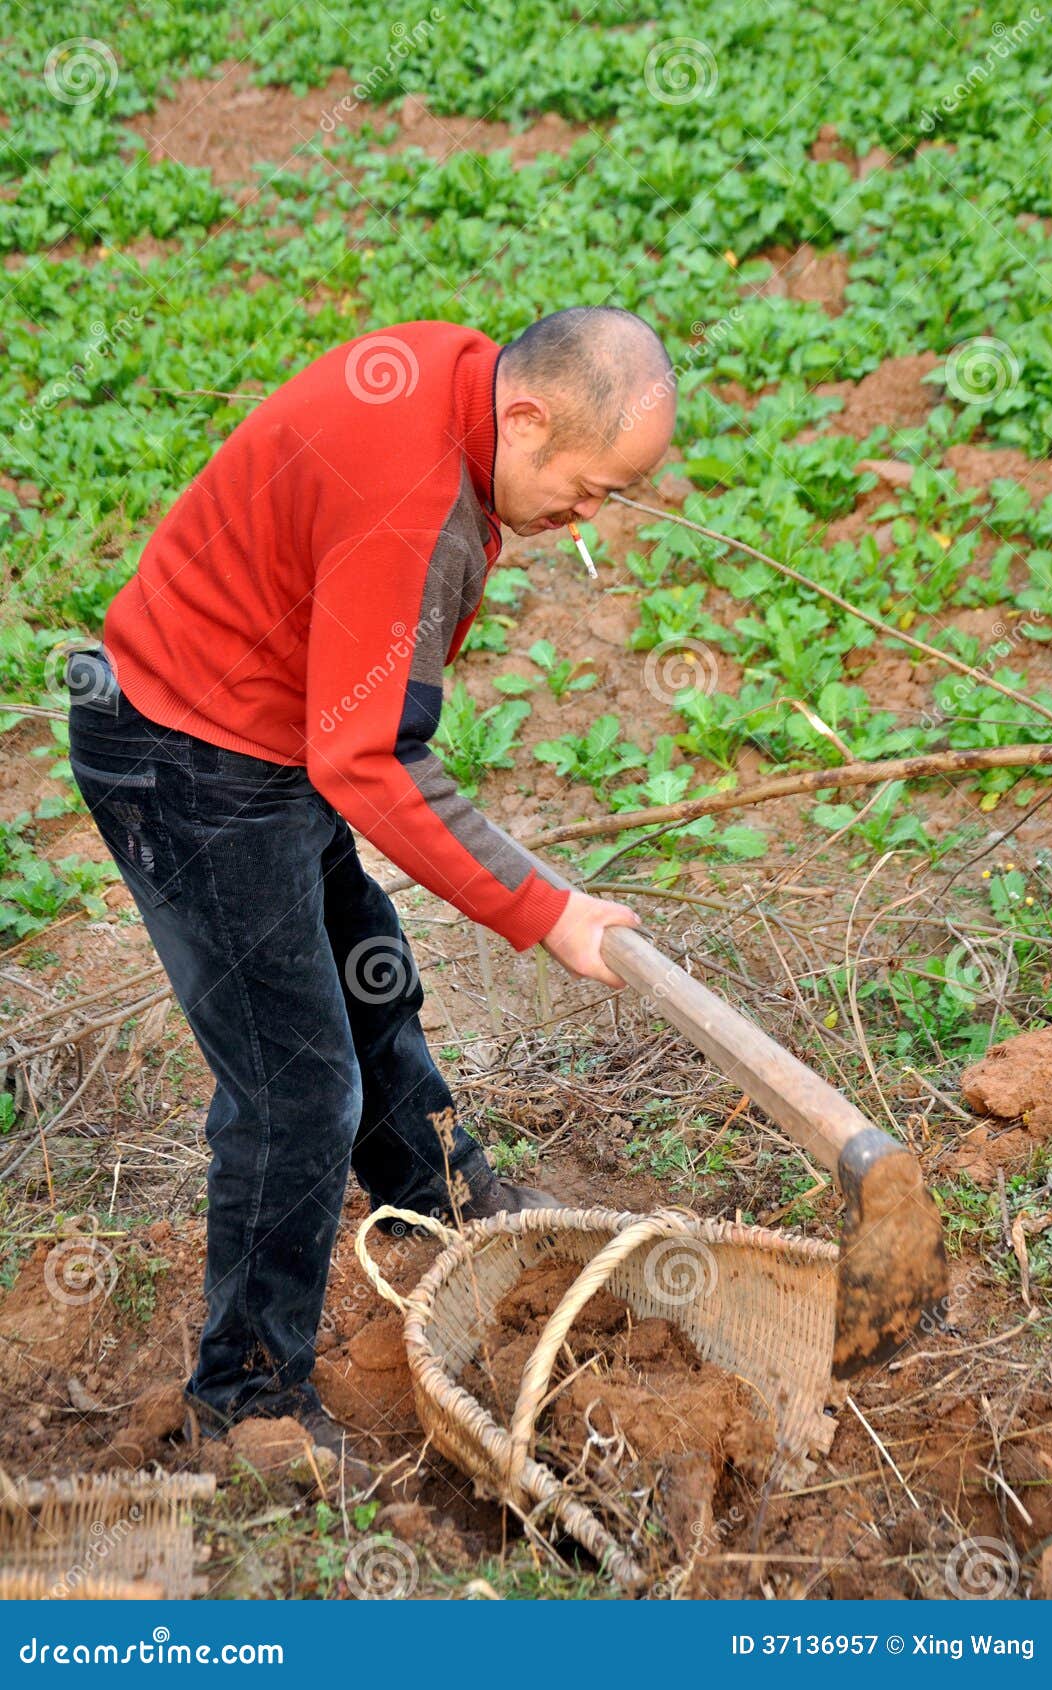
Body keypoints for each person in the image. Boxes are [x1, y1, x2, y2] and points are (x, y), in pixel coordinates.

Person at [65, 306, 677, 1442]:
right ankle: (244, 1401)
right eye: (592, 488)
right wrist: (547, 910)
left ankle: (435, 1198)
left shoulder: (455, 374)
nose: (589, 518)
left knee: (368, 977)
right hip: (182, 758)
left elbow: (344, 731)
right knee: (296, 1088)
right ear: (529, 415)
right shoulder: (414, 500)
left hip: (259, 725)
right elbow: (368, 759)